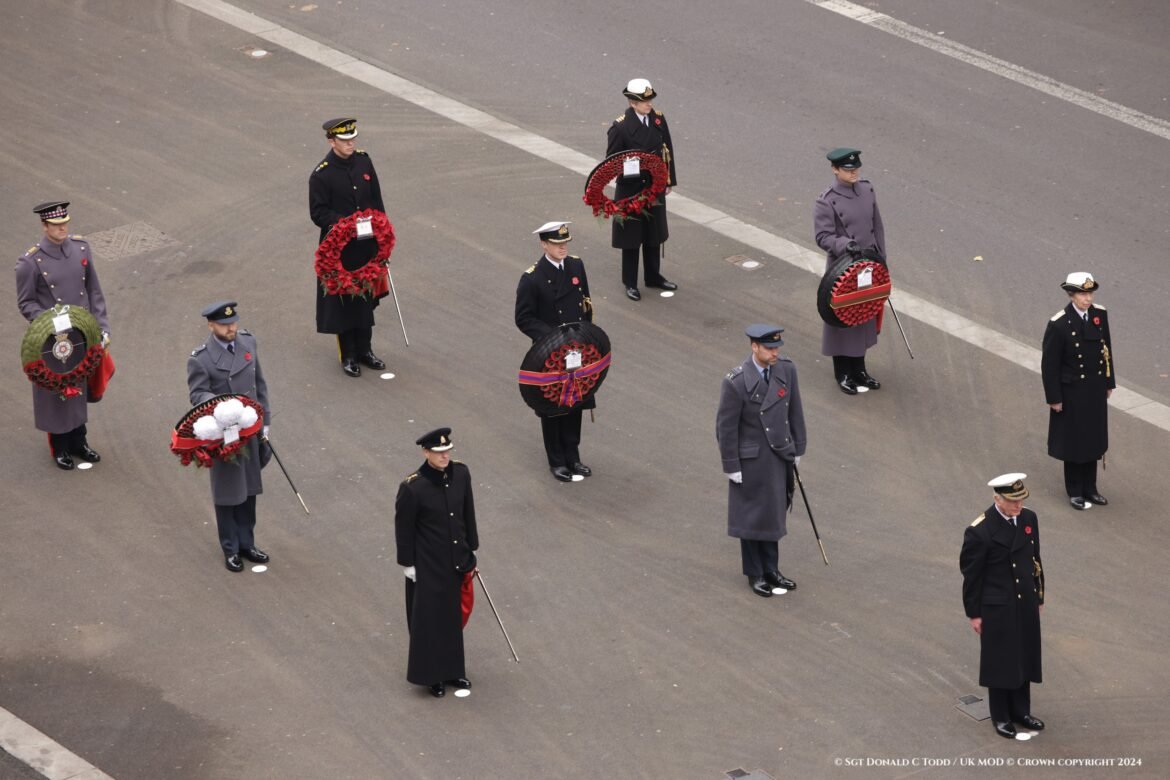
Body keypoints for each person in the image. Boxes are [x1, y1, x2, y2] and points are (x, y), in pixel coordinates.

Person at [15, 201, 111, 470]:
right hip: (53, 341)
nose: (63, 229)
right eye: (56, 225)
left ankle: (79, 442)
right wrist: (50, 321)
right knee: (56, 391)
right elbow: (26, 303)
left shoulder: (81, 248)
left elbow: (94, 291)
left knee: (78, 387)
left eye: (65, 223)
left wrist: (102, 328)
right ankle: (60, 446)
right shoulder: (30, 262)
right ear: (45, 226)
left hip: (82, 334)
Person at [716, 325, 807, 598]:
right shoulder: (736, 381)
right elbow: (725, 428)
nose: (775, 352)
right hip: (752, 460)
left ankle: (772, 570)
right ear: (754, 346)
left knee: (773, 514)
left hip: (778, 455)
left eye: (777, 347)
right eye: (769, 348)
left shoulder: (786, 370)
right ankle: (755, 574)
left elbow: (795, 410)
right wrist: (732, 465)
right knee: (751, 518)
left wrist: (798, 446)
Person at [395, 427, 479, 698]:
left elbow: (467, 513)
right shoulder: (413, 487)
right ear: (426, 452)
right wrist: (408, 564)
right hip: (428, 563)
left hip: (455, 558)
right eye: (439, 452)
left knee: (451, 618)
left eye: (447, 451)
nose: (445, 457)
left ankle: (454, 670)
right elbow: (404, 528)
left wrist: (471, 550)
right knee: (429, 621)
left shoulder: (461, 474)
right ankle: (433, 677)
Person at [959, 474, 1045, 740]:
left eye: (1021, 499)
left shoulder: (1029, 519)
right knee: (1001, 661)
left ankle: (1021, 711)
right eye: (1013, 501)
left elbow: (1035, 559)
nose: (1018, 505)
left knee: (1024, 655)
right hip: (997, 606)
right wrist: (974, 613)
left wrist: (1039, 595)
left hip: (1024, 602)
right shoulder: (980, 531)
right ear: (997, 499)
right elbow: (972, 576)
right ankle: (1001, 716)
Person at [188, 301, 272, 572]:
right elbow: (197, 394)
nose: (231, 328)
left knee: (248, 490)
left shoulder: (248, 343)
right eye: (225, 325)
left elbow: (259, 385)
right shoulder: (200, 359)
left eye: (233, 322)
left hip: (250, 429)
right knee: (228, 493)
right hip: (224, 434)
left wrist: (265, 423)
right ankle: (231, 548)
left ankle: (247, 543)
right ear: (211, 325)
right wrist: (223, 405)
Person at [515, 221, 595, 482]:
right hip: (549, 354)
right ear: (544, 244)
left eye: (565, 243)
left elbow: (585, 302)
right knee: (553, 404)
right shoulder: (532, 278)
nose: (563, 248)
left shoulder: (576, 265)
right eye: (557, 244)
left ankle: (573, 456)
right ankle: (557, 461)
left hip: (576, 348)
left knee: (575, 401)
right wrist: (552, 338)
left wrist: (586, 337)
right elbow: (524, 318)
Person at [309, 117, 389, 378]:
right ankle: (349, 355)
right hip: (340, 251)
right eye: (344, 140)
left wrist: (382, 236)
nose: (350, 143)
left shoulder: (364, 161)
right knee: (344, 303)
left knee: (365, 300)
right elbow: (318, 213)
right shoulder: (321, 174)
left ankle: (365, 350)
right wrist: (345, 225)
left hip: (366, 245)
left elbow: (376, 200)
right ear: (332, 141)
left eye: (352, 138)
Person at [813, 148, 886, 395]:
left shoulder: (867, 189)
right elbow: (823, 236)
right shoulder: (827, 199)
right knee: (843, 317)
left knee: (863, 313)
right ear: (835, 170)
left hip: (868, 264)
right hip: (843, 268)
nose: (854, 172)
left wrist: (881, 260)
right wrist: (845, 245)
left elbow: (877, 227)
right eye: (847, 169)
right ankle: (843, 372)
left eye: (856, 168)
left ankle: (860, 370)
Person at [1041, 272, 1114, 510]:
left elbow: (1106, 349)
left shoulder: (1099, 315)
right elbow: (1049, 365)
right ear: (1071, 295)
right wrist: (1054, 398)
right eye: (1083, 293)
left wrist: (1108, 381)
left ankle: (1090, 489)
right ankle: (1075, 490)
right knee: (1074, 442)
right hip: (1071, 393)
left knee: (1092, 439)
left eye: (1090, 293)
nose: (1088, 298)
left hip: (1093, 390)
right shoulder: (1059, 323)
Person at [606, 78, 679, 301]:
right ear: (632, 103)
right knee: (632, 238)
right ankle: (630, 282)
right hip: (632, 191)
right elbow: (612, 162)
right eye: (644, 101)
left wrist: (668, 180)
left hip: (654, 187)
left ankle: (653, 275)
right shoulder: (620, 128)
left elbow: (667, 150)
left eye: (650, 99)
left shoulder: (657, 119)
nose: (649, 104)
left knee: (653, 234)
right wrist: (636, 166)